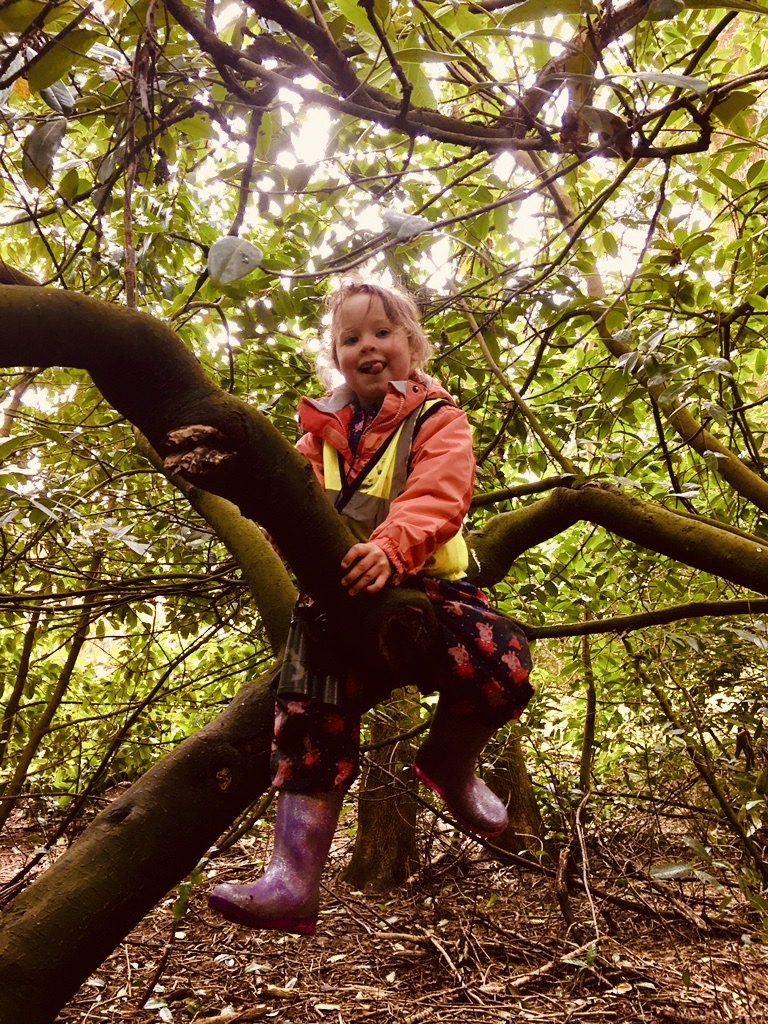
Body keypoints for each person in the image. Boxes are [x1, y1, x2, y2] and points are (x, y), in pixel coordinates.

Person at [208, 280, 534, 935]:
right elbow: (291, 503)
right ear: (335, 355)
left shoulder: (437, 418)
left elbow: (439, 493)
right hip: (335, 598)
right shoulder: (318, 434)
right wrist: (282, 532)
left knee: (503, 662)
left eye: (383, 332)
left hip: (426, 584)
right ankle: (293, 880)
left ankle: (450, 764)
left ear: (412, 343)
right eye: (351, 338)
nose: (368, 347)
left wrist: (391, 548)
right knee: (308, 718)